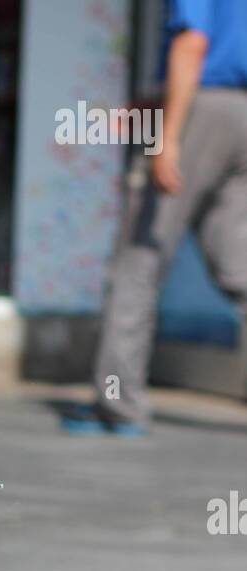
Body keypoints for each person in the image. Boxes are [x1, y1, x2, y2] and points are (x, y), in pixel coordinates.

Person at [64, 0, 247, 437]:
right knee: (239, 265)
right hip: (241, 116)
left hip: (200, 111)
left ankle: (119, 405)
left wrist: (168, 137)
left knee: (138, 262)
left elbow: (192, 43)